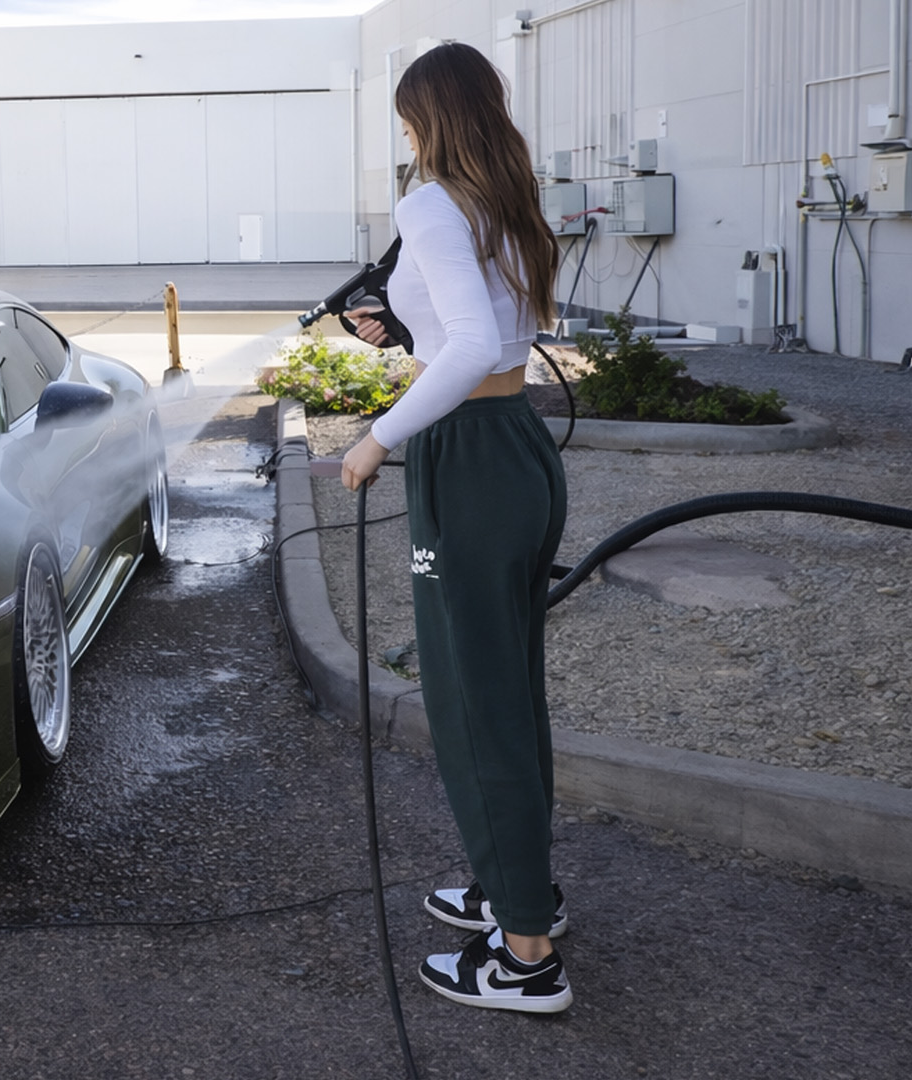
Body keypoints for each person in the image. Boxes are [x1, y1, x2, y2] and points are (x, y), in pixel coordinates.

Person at [338, 41, 573, 1014]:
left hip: (465, 464)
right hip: (515, 446)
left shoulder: (432, 204)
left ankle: (524, 956)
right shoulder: (504, 200)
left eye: (407, 125)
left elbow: (472, 339)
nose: (405, 143)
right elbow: (482, 334)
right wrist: (398, 332)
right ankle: (518, 889)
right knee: (505, 691)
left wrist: (376, 439)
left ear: (433, 122)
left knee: (474, 702)